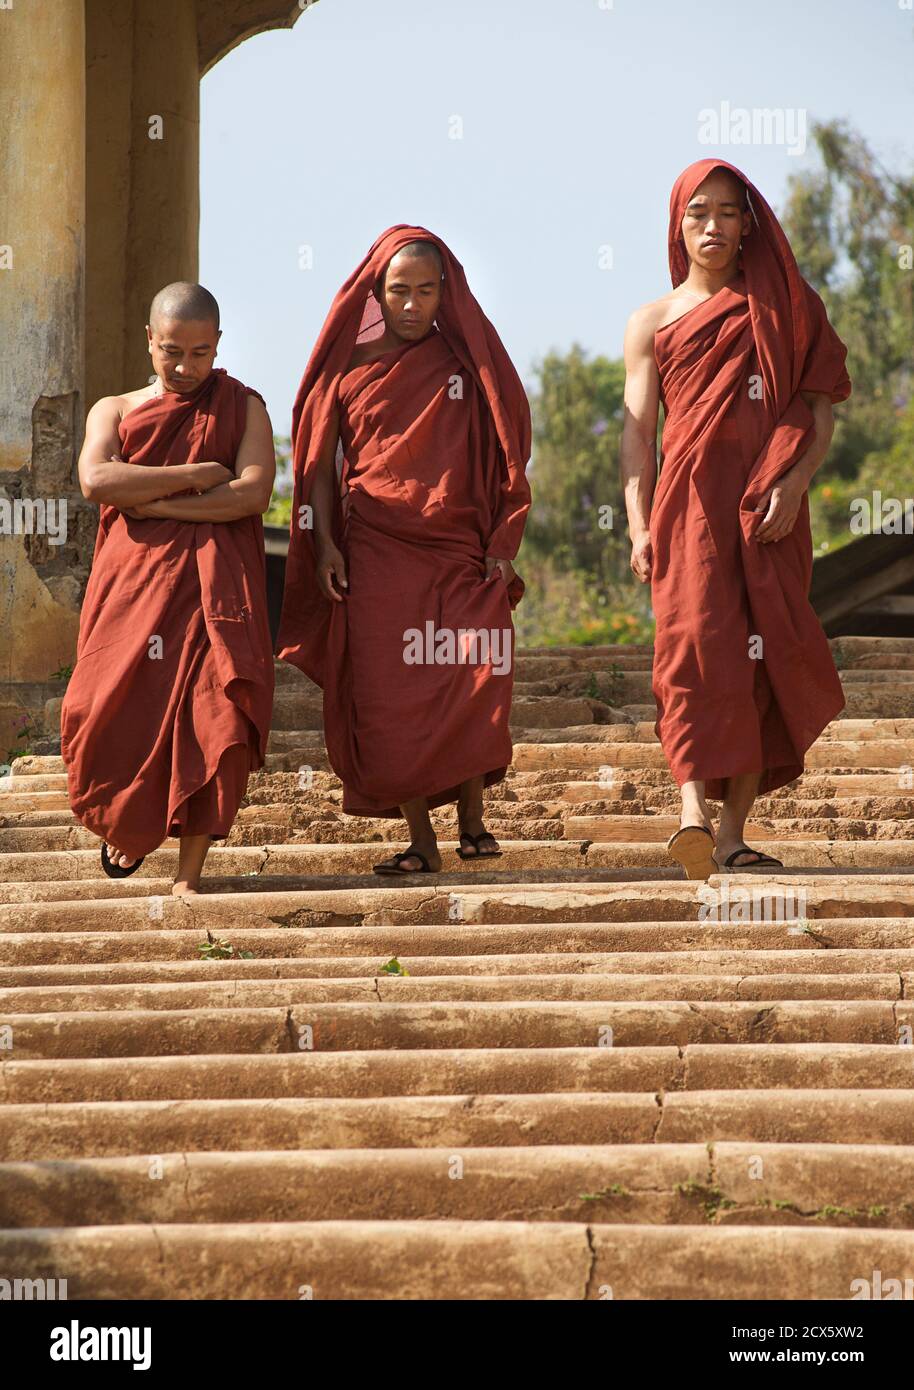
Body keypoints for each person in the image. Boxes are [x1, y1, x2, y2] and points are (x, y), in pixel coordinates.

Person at [620, 160, 851, 880]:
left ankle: (731, 833)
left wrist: (797, 482)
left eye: (726, 212)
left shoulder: (783, 305)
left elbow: (820, 409)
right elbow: (635, 431)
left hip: (763, 510)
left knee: (760, 656)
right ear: (677, 224)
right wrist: (637, 524)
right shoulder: (652, 321)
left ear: (748, 222)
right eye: (698, 214)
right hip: (685, 506)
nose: (712, 227)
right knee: (689, 649)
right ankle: (690, 812)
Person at [276, 227, 532, 874]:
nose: (413, 305)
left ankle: (473, 816)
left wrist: (504, 539)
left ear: (445, 291)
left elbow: (508, 443)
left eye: (425, 289)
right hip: (378, 553)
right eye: (399, 291)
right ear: (376, 293)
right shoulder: (350, 367)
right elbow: (316, 468)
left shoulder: (463, 363)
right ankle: (421, 839)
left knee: (472, 680)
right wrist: (326, 544)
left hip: (458, 548)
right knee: (391, 699)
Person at [61, 282, 276, 895]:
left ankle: (190, 875)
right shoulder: (116, 409)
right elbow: (97, 480)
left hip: (216, 590)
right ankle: (125, 819)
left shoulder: (243, 407)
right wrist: (197, 478)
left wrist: (154, 500)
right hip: (133, 585)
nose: (186, 368)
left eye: (200, 354)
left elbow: (253, 494)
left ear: (218, 346)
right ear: (150, 340)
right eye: (172, 352)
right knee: (99, 706)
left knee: (215, 719)